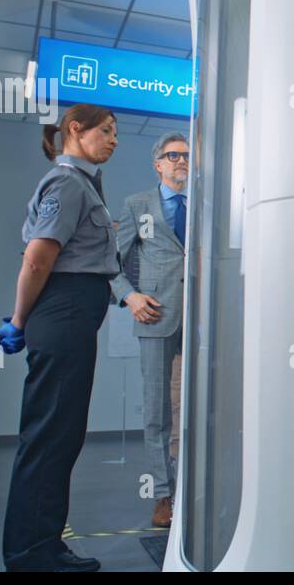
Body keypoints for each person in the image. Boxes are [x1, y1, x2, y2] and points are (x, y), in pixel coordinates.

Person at [0, 103, 120, 572]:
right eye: (105, 130)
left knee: (60, 436)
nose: (114, 139)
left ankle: (43, 544)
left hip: (72, 312)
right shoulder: (67, 184)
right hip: (62, 310)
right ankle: (31, 554)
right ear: (74, 130)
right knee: (49, 436)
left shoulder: (84, 185)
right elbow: (38, 259)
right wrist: (19, 321)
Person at [110, 132, 189, 528]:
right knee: (158, 412)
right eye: (173, 156)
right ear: (158, 164)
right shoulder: (137, 205)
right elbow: (113, 262)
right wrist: (130, 297)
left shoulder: (207, 207)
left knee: (203, 406)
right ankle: (163, 495)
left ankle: (198, 487)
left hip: (205, 321)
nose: (181, 162)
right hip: (156, 316)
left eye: (186, 157)